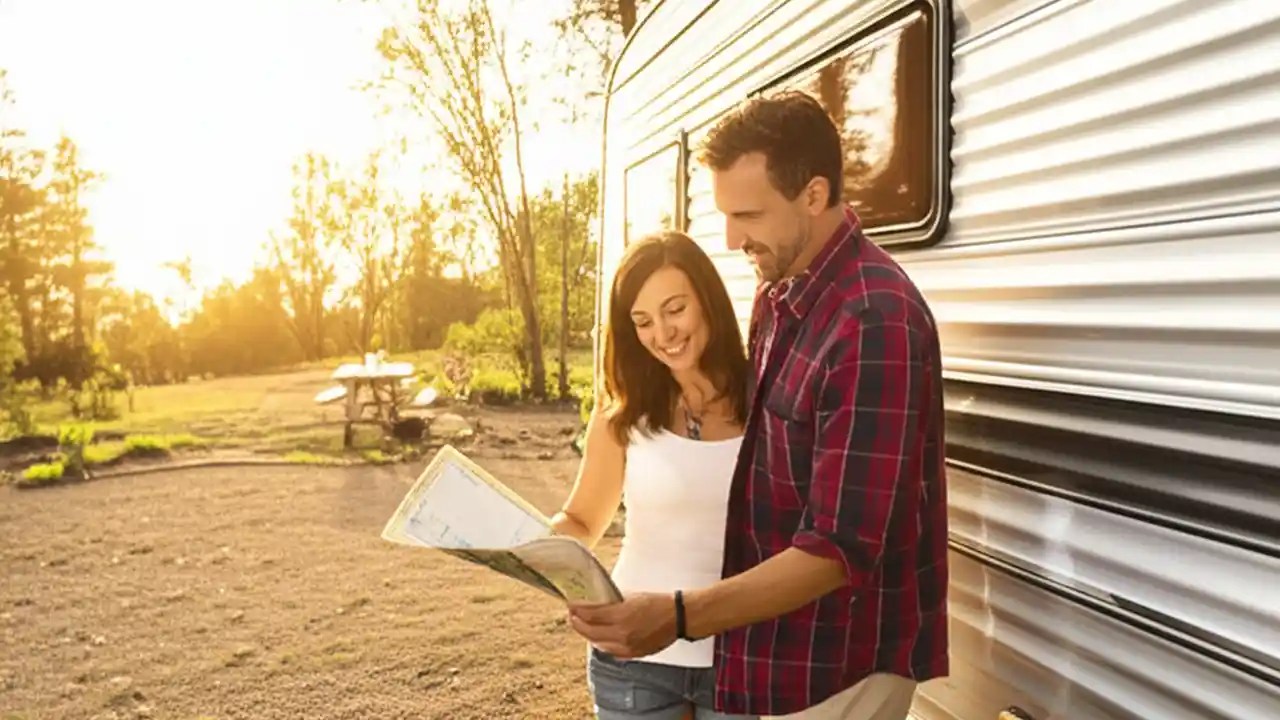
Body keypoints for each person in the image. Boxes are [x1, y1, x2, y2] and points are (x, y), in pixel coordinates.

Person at [567, 90, 950, 720]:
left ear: (815, 195)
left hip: (843, 661)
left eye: (747, 213)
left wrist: (679, 616)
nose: (731, 236)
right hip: (781, 654)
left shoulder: (874, 319)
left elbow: (839, 545)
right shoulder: (781, 296)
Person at [550, 230, 759, 719]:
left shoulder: (766, 397)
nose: (662, 335)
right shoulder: (622, 410)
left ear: (708, 300)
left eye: (674, 310)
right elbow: (582, 519)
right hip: (632, 656)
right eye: (642, 322)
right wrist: (536, 546)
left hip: (741, 655)